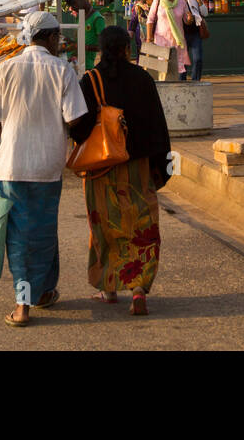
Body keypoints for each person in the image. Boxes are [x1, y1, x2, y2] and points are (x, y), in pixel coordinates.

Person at [0, 11, 89, 329]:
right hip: (47, 166)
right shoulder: (62, 70)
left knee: (19, 237)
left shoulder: (4, 69)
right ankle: (23, 302)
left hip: (11, 166)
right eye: (59, 38)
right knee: (41, 232)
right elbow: (75, 119)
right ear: (52, 37)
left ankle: (41, 293)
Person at [69, 26, 172, 315]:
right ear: (127, 49)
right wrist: (160, 167)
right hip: (137, 167)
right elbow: (157, 126)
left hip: (101, 168)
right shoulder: (142, 78)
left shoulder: (90, 80)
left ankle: (109, 288)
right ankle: (138, 288)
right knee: (140, 224)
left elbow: (79, 127)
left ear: (101, 50)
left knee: (103, 225)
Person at [146, 0, 189, 77]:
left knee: (177, 70)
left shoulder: (181, 2)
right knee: (162, 70)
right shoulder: (158, 1)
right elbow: (150, 20)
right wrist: (149, 38)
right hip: (161, 40)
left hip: (177, 41)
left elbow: (186, 20)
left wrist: (190, 18)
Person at [176, 0, 208, 81]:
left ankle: (195, 81)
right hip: (182, 33)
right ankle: (182, 82)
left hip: (195, 32)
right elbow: (180, 12)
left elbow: (204, 13)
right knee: (183, 61)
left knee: (198, 58)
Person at [64, 0, 105, 71]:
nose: (73, 7)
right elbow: (79, 41)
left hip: (87, 67)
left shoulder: (97, 18)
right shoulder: (79, 17)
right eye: (71, 6)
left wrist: (79, 46)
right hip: (75, 63)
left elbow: (102, 46)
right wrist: (71, 41)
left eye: (74, 3)